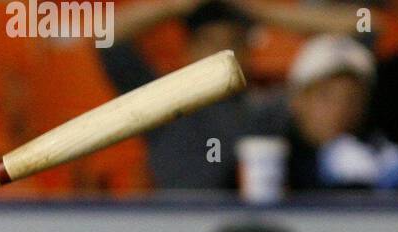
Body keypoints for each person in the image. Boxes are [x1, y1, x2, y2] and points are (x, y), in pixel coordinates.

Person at [99, 0, 275, 189]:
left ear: (248, 53)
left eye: (233, 43)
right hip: (173, 214)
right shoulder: (162, 101)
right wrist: (174, 6)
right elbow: (105, 35)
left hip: (242, 216)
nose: (222, 52)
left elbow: (313, 32)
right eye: (210, 42)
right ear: (190, 50)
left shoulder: (265, 111)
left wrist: (255, 10)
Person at [282, 35, 398, 189]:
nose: (340, 109)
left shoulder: (381, 153)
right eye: (326, 95)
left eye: (352, 98)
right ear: (297, 101)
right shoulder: (274, 154)